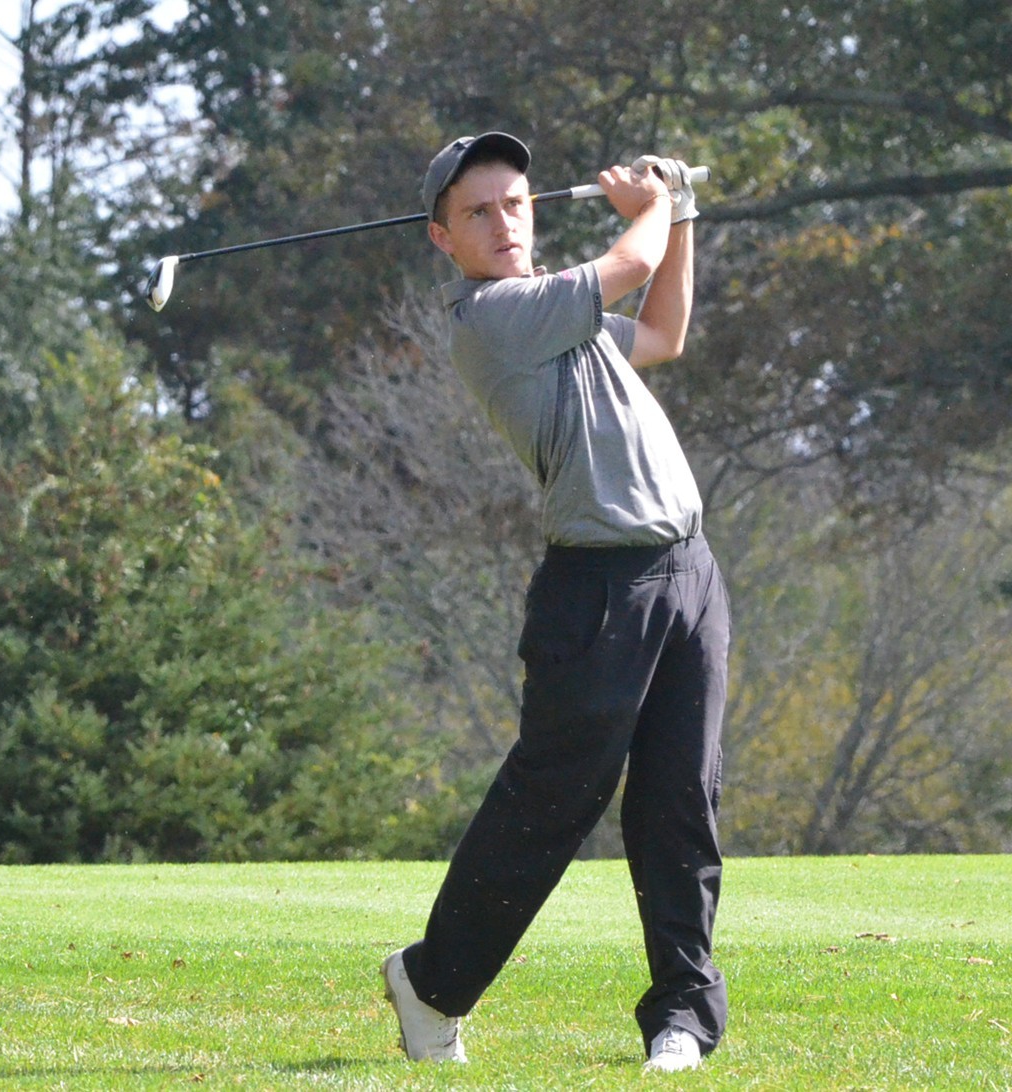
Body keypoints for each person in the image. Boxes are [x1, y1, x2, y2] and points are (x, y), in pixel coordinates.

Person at [380, 132, 728, 1073]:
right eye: (478, 211)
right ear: (441, 240)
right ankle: (432, 981)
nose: (503, 222)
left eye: (516, 202)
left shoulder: (559, 322)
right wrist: (652, 207)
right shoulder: (495, 316)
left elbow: (662, 333)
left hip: (688, 573)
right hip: (598, 588)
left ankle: (682, 1018)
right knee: (552, 805)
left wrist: (680, 210)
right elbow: (630, 262)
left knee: (681, 804)